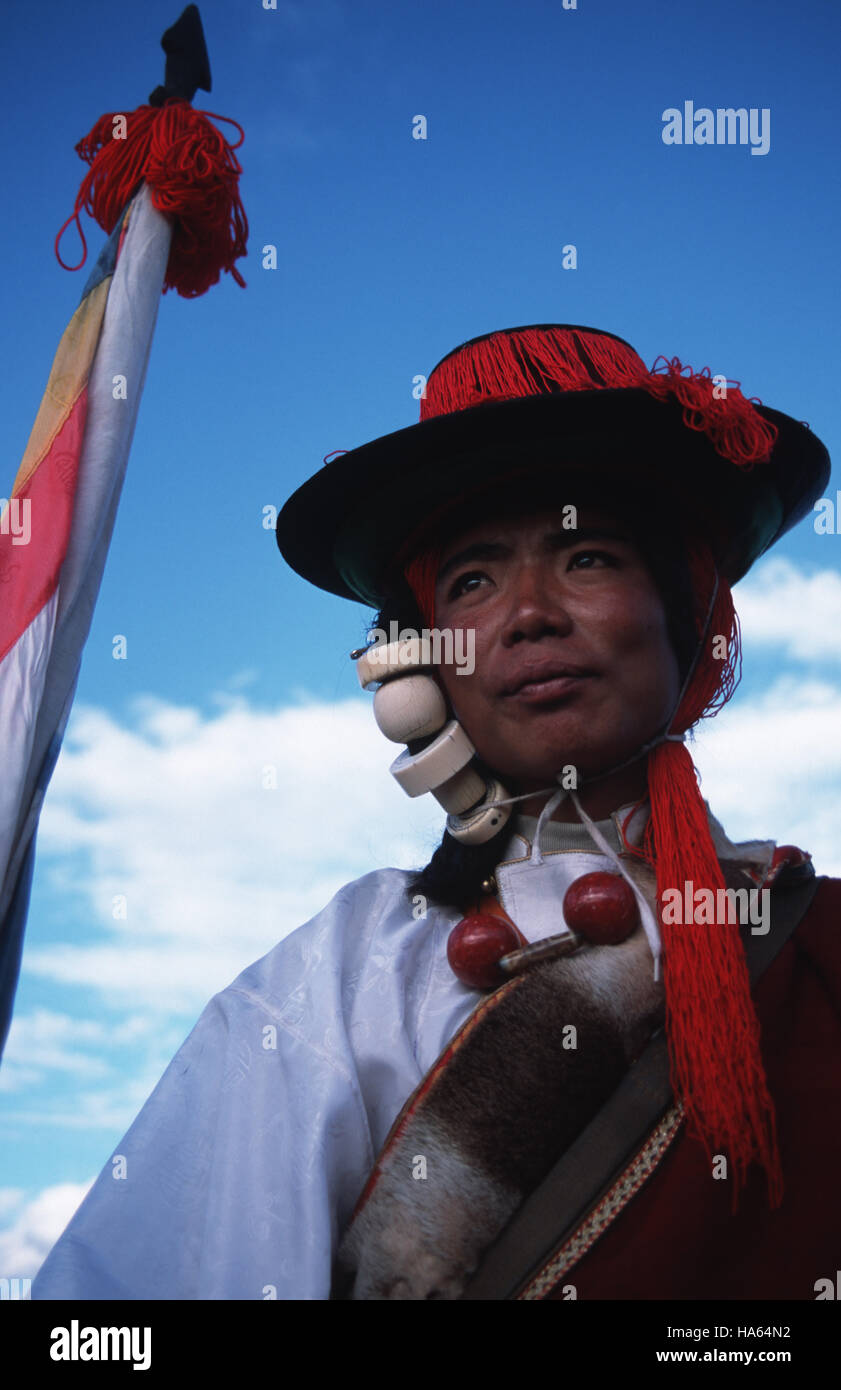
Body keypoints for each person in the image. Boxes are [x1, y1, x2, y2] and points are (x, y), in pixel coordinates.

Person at [32, 324, 839, 1301]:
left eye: (588, 558)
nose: (529, 611)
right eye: (471, 579)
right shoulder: (342, 973)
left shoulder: (816, 944)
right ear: (419, 664)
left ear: (687, 613)